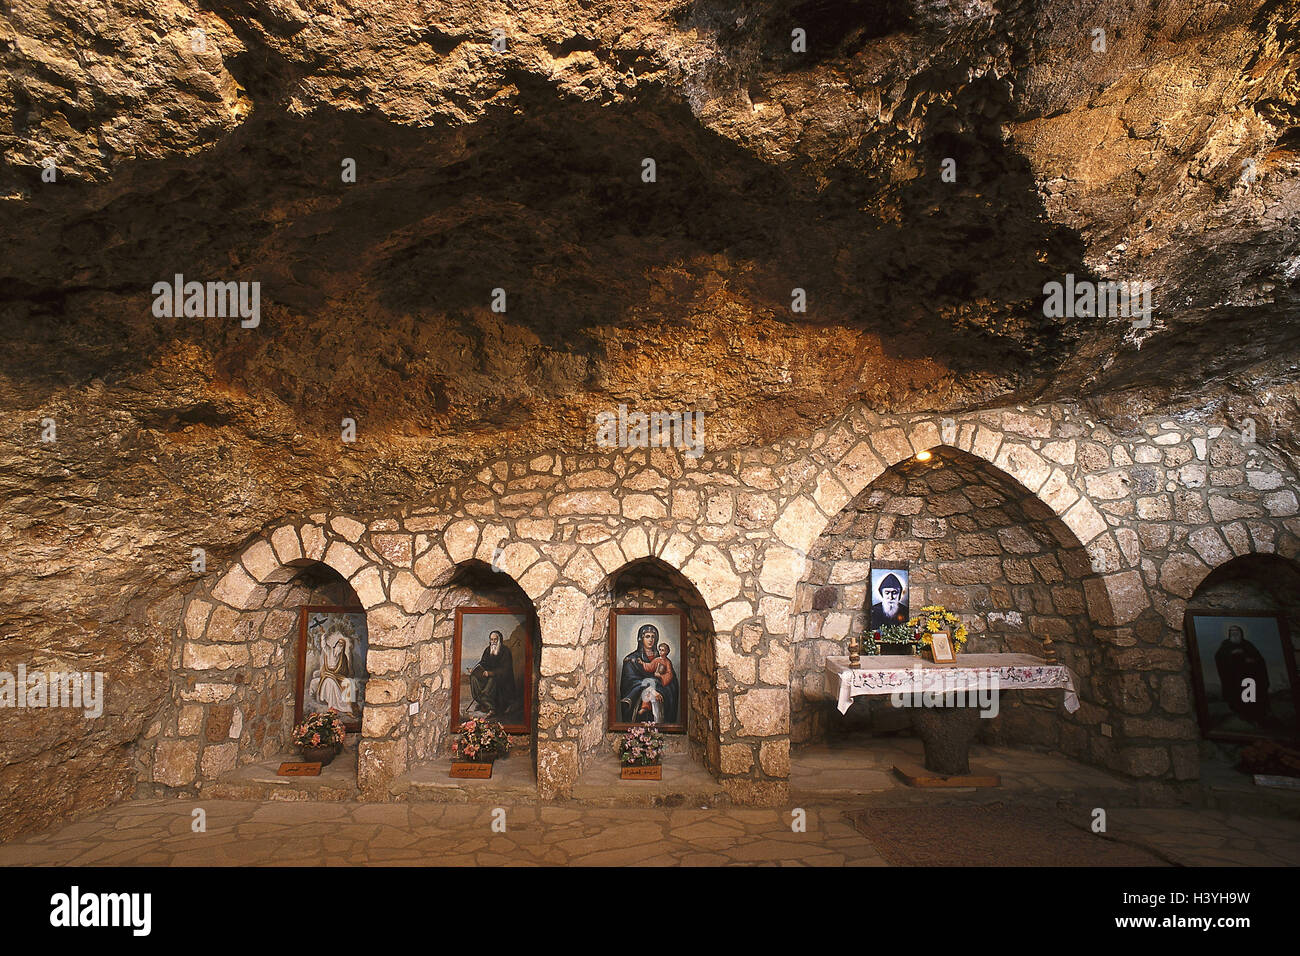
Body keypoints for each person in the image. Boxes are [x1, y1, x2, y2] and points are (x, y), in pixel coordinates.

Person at [1214, 623, 1274, 727]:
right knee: (1239, 699)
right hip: (1235, 678)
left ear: (1241, 633)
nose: (1234, 634)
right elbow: (1219, 658)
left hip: (1251, 678)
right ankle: (1245, 716)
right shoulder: (1225, 645)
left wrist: (1250, 659)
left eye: (1236, 632)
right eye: (1232, 632)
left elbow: (1259, 660)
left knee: (1254, 699)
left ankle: (1260, 718)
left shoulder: (1248, 645)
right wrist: (1232, 654)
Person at [619, 623, 679, 724]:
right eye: (647, 636)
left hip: (660, 703)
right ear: (640, 639)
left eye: (653, 636)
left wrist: (661, 690)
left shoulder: (663, 660)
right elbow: (628, 683)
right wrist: (649, 689)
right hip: (640, 705)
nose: (651, 639)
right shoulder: (631, 659)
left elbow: (672, 683)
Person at [469, 629, 517, 718]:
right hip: (488, 675)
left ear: (499, 640)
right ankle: (484, 702)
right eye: (491, 639)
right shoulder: (488, 650)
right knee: (474, 678)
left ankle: (492, 708)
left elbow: (505, 669)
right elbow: (483, 662)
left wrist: (491, 673)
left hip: (502, 679)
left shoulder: (505, 651)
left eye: (495, 639)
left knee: (492, 680)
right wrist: (475, 669)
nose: (493, 642)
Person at [314, 629, 359, 717]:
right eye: (339, 645)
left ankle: (349, 707)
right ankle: (333, 707)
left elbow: (344, 672)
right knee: (331, 683)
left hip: (338, 676)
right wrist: (323, 635)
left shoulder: (343, 658)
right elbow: (323, 645)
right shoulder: (329, 651)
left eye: (342, 646)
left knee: (349, 683)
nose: (339, 647)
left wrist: (339, 676)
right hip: (327, 675)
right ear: (335, 645)